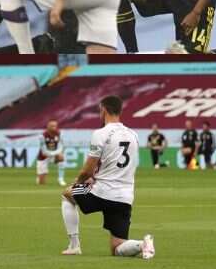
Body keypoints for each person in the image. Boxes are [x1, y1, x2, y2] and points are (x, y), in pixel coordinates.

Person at [60, 96, 154, 259]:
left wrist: (79, 181)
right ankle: (142, 244)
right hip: (124, 197)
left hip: (101, 193)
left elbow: (88, 170)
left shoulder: (100, 133)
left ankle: (74, 246)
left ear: (103, 109)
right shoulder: (133, 135)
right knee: (117, 248)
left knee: (67, 194)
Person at [37, 120, 66, 186]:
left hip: (54, 154)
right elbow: (44, 150)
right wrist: (52, 154)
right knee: (41, 183)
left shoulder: (60, 134)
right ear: (48, 126)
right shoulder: (42, 136)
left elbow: (61, 147)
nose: (54, 127)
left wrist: (55, 154)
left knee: (61, 157)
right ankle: (40, 177)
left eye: (55, 126)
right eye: (52, 126)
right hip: (43, 156)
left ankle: (61, 179)